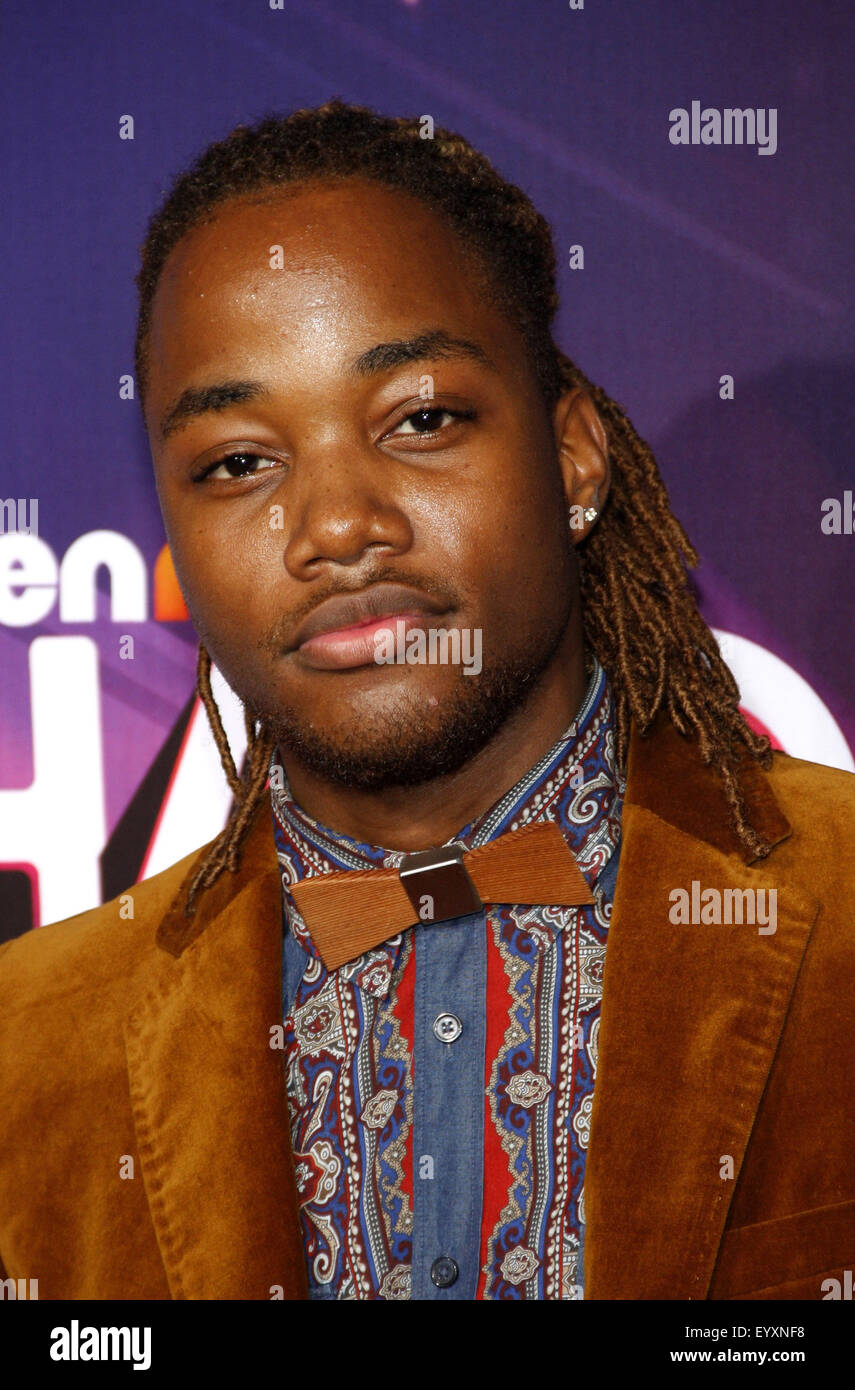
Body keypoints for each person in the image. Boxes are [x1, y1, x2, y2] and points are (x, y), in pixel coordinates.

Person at [1, 99, 853, 1302]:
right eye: (240, 461)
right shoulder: (26, 1058)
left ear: (573, 459)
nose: (339, 527)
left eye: (421, 419)